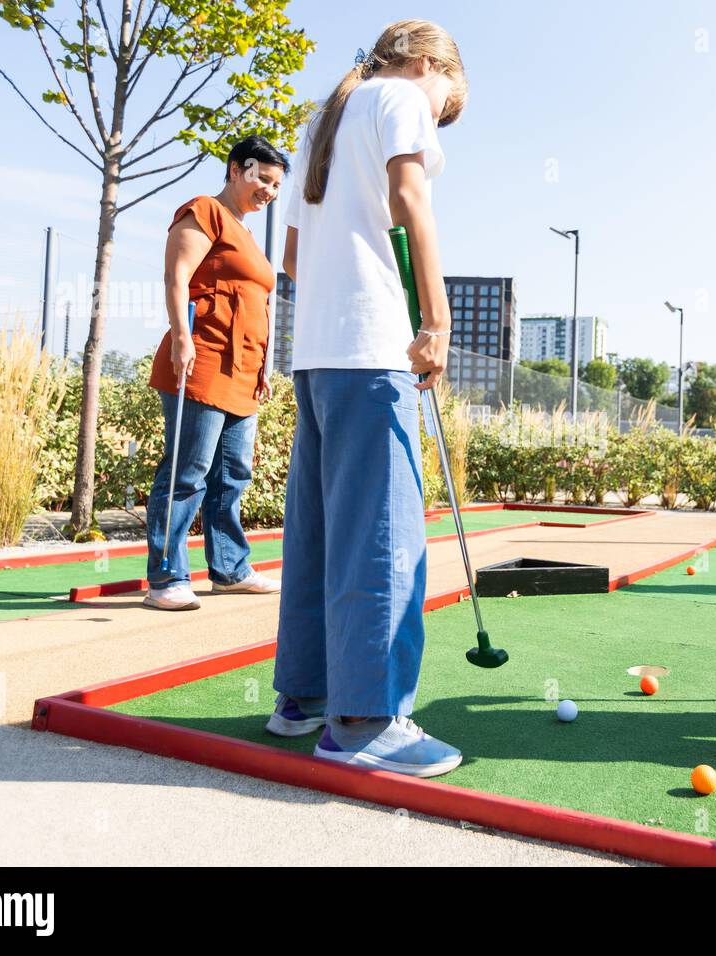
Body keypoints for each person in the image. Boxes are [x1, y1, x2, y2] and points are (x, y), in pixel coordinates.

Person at [265, 20, 468, 778]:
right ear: (427, 64)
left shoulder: (321, 118)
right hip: (370, 350)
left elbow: (289, 255)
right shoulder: (398, 95)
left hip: (316, 355)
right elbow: (411, 195)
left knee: (319, 531)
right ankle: (366, 721)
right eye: (446, 104)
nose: (440, 118)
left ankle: (305, 699)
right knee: (384, 535)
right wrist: (436, 318)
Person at [144, 135, 289, 611]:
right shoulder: (204, 210)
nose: (268, 191)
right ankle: (166, 577)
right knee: (188, 472)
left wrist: (263, 366)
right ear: (235, 170)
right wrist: (181, 339)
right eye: (262, 178)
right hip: (202, 360)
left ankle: (229, 569)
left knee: (233, 476)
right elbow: (177, 276)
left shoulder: (245, 233)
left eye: (275, 185)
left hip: (244, 373)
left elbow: (254, 302)